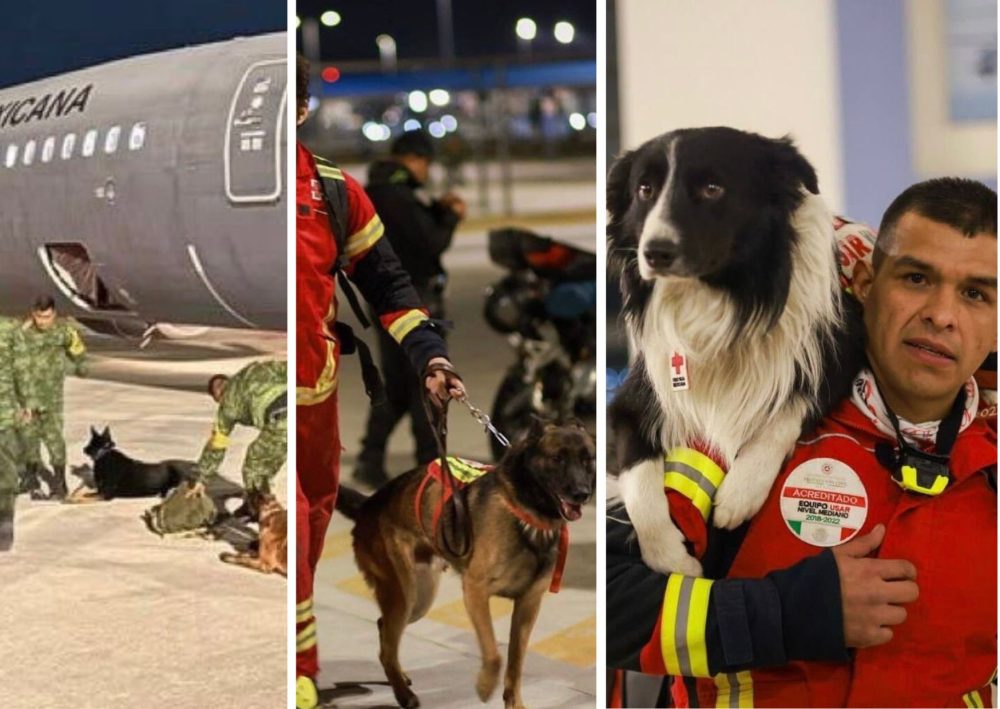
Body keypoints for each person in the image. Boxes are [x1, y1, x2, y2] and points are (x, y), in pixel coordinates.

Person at [607, 177, 997, 708]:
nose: (942, 315)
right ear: (863, 282)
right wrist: (787, 612)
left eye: (975, 293)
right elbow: (611, 606)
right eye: (916, 278)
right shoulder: (739, 427)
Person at [295, 55, 465, 709]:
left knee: (304, 540)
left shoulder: (334, 193)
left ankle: (300, 668)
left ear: (303, 109)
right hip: (251, 396)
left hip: (312, 411)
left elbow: (390, 283)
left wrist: (431, 356)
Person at [354, 129, 466, 487]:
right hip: (411, 303)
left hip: (389, 302)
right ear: (413, 159)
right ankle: (429, 469)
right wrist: (449, 218)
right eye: (425, 163)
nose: (427, 171)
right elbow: (427, 244)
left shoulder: (381, 192)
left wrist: (436, 209)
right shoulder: (396, 196)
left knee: (401, 389)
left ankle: (370, 460)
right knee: (427, 385)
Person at [19, 296, 87, 500]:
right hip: (27, 397)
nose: (43, 322)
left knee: (54, 439)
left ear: (54, 315)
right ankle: (30, 479)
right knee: (28, 439)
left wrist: (73, 359)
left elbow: (79, 353)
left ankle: (60, 483)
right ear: (33, 314)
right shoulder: (24, 334)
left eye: (47, 317)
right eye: (39, 317)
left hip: (51, 398)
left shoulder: (63, 331)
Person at [192, 359, 288, 494]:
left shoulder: (225, 407)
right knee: (272, 457)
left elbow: (217, 446)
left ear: (217, 396)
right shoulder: (255, 369)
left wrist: (201, 480)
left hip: (280, 418)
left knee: (254, 469)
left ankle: (262, 508)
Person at [0, 315, 31, 550]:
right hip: (6, 412)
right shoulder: (11, 329)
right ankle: (5, 518)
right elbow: (22, 370)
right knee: (6, 471)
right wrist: (26, 404)